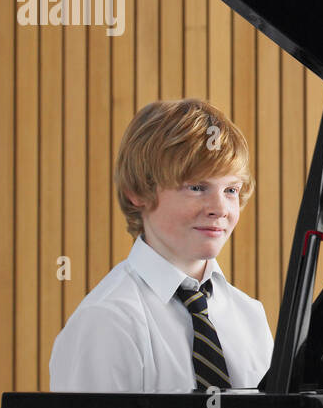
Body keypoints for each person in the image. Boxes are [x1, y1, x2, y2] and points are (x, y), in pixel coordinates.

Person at [49, 98, 274, 392]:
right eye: (196, 187)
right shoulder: (106, 321)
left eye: (231, 190)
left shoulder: (250, 315)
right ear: (137, 193)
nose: (220, 208)